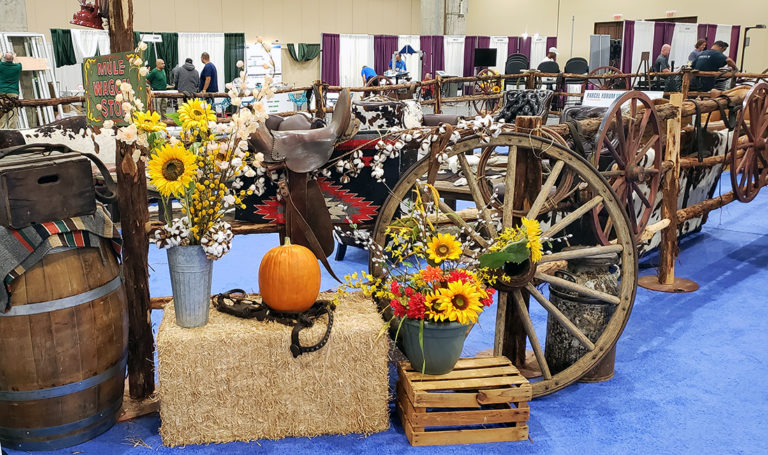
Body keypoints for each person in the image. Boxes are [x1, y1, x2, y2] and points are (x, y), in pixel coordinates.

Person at [0, 52, 21, 129]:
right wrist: (15, 57)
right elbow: (18, 62)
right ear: (12, 59)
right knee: (13, 111)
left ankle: (1, 128)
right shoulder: (18, 67)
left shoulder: (1, 66)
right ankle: (12, 129)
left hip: (1, 92)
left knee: (2, 110)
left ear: (4, 59)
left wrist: (1, 55)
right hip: (13, 92)